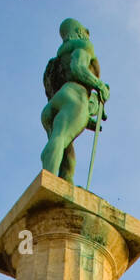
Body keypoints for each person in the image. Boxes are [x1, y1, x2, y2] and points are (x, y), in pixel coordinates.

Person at [40, 19, 110, 184]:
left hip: (55, 103)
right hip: (75, 97)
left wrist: (85, 119)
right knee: (61, 138)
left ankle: (65, 183)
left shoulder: (60, 58)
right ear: (79, 33)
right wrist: (100, 85)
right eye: (86, 32)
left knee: (67, 153)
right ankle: (48, 181)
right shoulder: (84, 47)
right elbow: (78, 68)